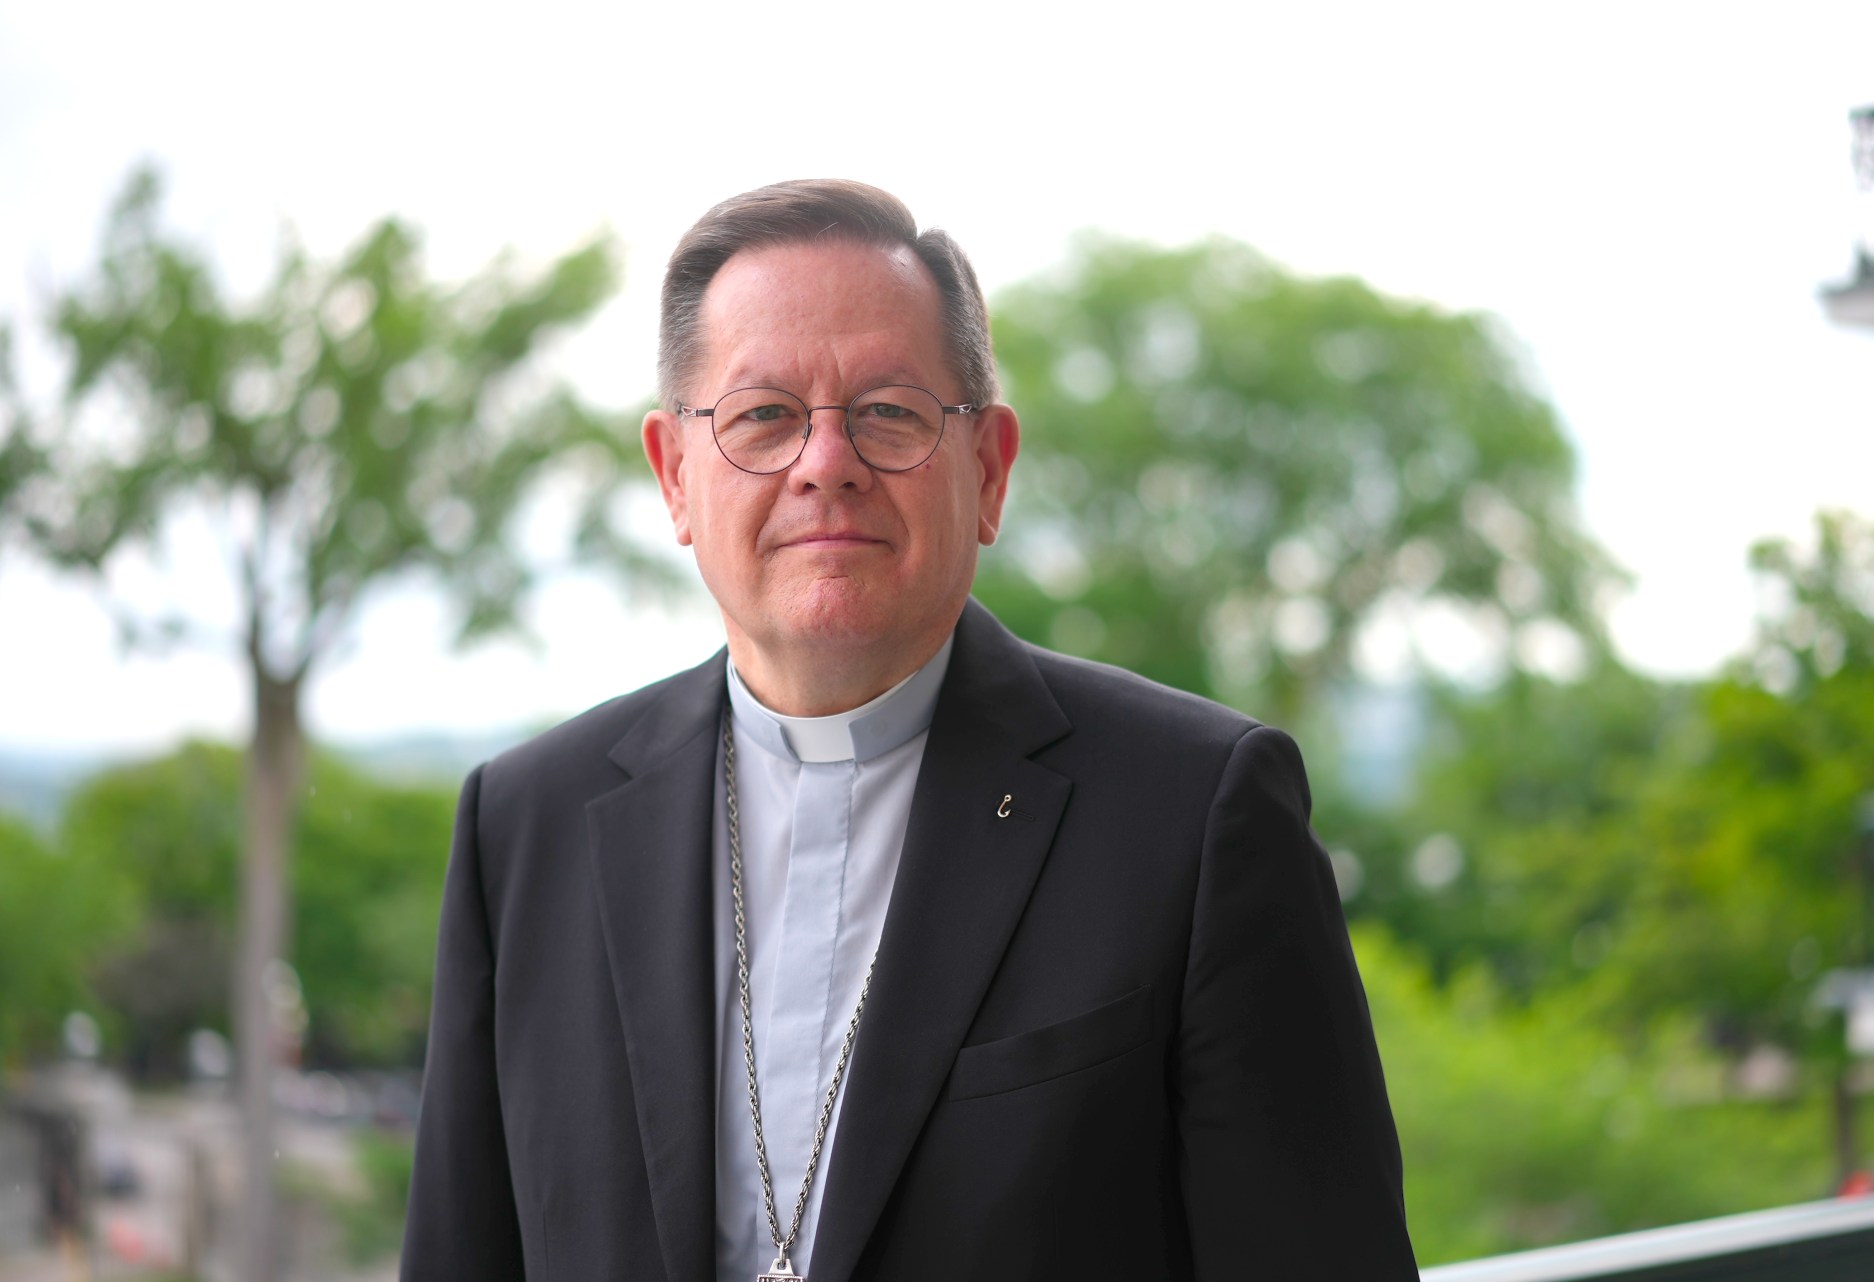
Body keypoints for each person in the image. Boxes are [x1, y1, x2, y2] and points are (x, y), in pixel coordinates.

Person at [399, 180, 1418, 1282]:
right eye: (761, 417)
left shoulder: (1194, 815)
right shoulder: (525, 828)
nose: (823, 461)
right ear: (674, 474)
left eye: (887, 411)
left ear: (986, 470)